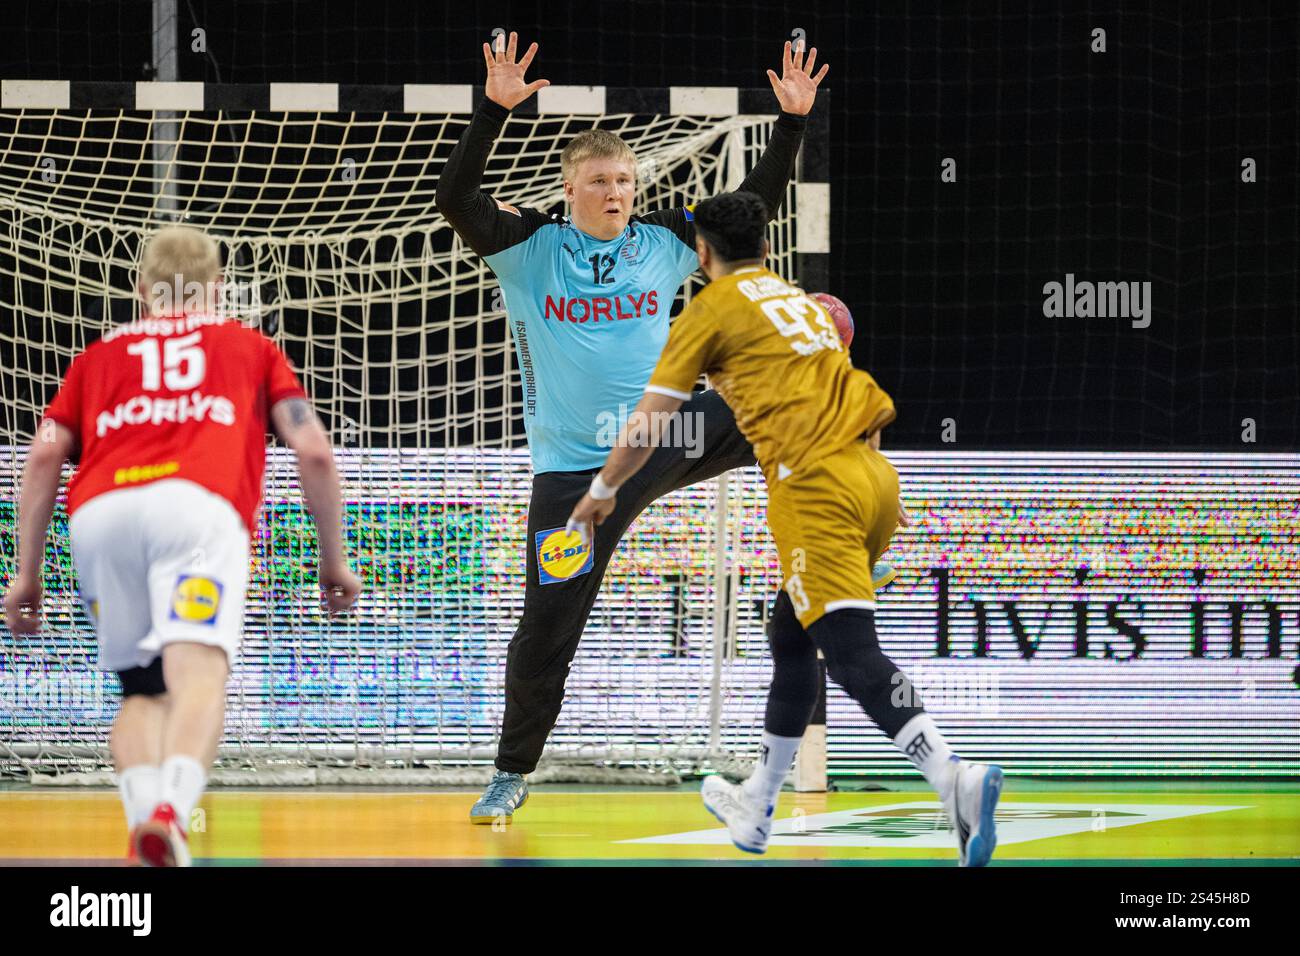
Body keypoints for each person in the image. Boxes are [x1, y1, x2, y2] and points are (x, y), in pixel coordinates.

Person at [435, 32, 881, 825]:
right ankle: (511, 773)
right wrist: (492, 110)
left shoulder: (667, 242)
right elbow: (458, 201)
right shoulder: (531, 247)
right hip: (577, 476)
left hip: (663, 438)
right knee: (546, 629)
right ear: (570, 189)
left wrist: (790, 126)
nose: (617, 193)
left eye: (627, 182)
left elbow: (751, 206)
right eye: (601, 181)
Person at [567, 192, 1003, 866]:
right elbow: (858, 396)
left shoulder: (710, 310)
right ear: (766, 250)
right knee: (789, 632)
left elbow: (653, 419)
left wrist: (602, 490)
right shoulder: (800, 301)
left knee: (853, 654)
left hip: (815, 488)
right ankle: (758, 806)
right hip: (872, 474)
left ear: (701, 255)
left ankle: (953, 778)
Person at [2, 225, 362, 866]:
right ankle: (172, 809)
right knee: (198, 674)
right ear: (217, 287)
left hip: (102, 516)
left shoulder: (98, 354)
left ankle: (146, 825)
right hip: (196, 512)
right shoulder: (248, 345)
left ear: (144, 292)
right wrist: (332, 558)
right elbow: (312, 450)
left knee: (141, 692)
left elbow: (43, 457)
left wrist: (25, 575)